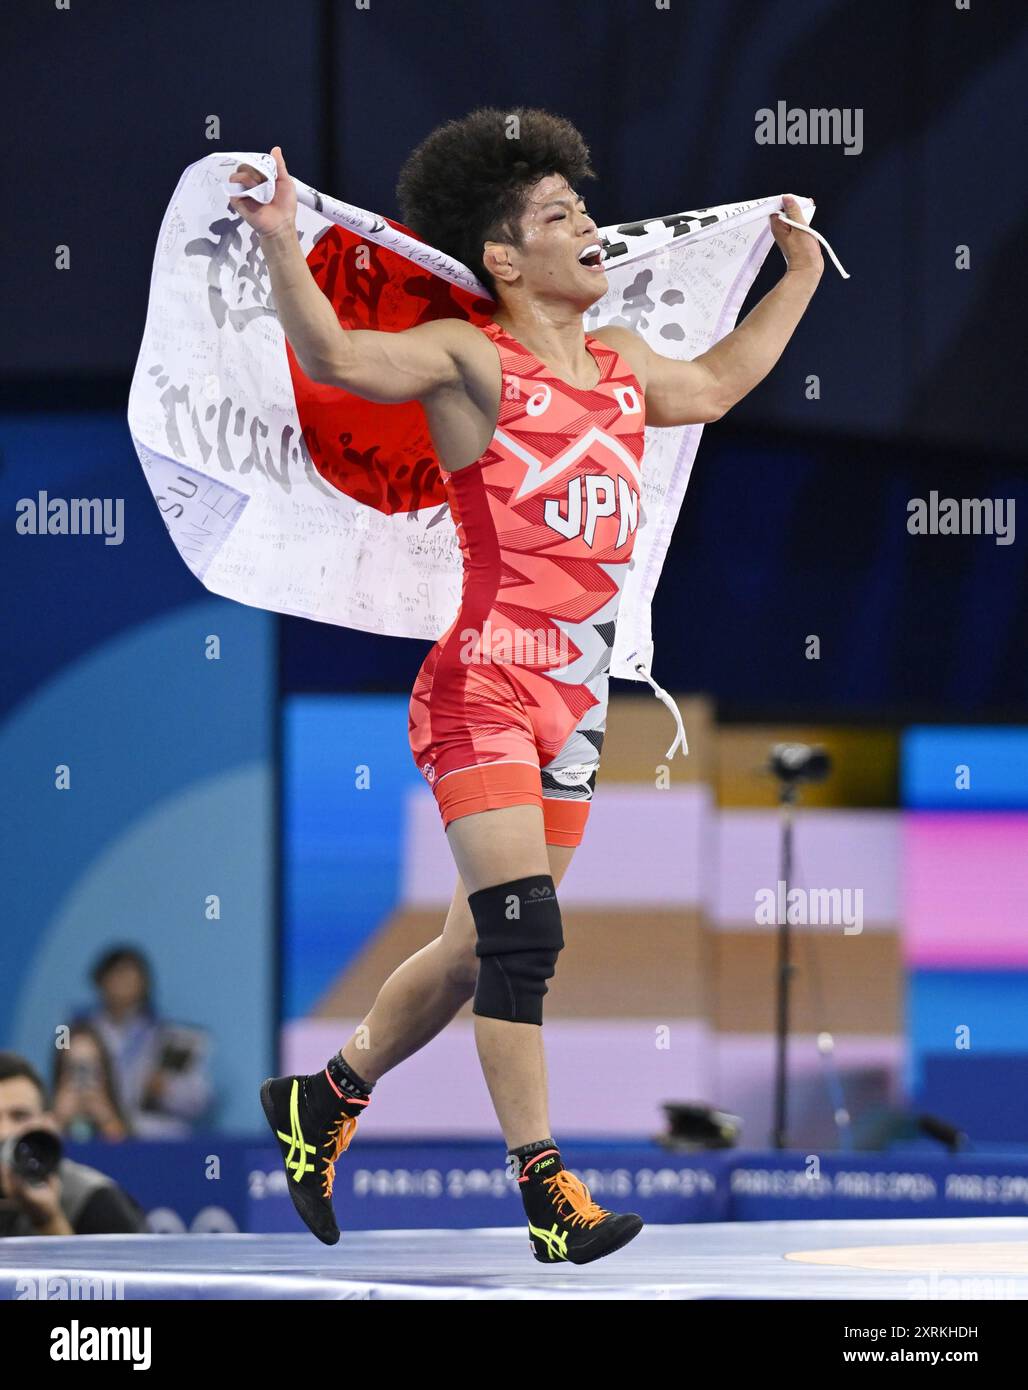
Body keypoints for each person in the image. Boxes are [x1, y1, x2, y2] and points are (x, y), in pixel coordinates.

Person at [231, 107, 823, 1262]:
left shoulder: (622, 369)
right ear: (502, 260)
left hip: (578, 695)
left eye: (583, 206)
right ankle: (548, 1194)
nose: (590, 226)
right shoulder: (469, 362)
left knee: (471, 950)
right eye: (560, 216)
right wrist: (279, 237)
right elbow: (339, 358)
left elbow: (712, 383)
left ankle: (326, 1096)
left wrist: (795, 271)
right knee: (520, 937)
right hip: (484, 685)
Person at [0, 1052, 145, 1238]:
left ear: (48, 1124)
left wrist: (48, 1220)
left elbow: (122, 1266)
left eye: (20, 1116)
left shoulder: (92, 1198)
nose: (4, 1132)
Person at [80, 946, 213, 1138]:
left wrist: (165, 1088)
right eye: (117, 974)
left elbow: (199, 1099)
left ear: (144, 983)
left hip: (153, 1134)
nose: (124, 982)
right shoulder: (82, 1036)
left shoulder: (169, 1036)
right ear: (101, 980)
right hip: (97, 1131)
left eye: (131, 975)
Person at [51, 1021, 132, 1142]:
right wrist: (58, 1120)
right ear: (61, 1073)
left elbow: (132, 1155)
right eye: (73, 1068)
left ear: (105, 1073)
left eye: (90, 1069)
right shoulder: (48, 1117)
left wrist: (107, 1119)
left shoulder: (119, 1119)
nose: (82, 1079)